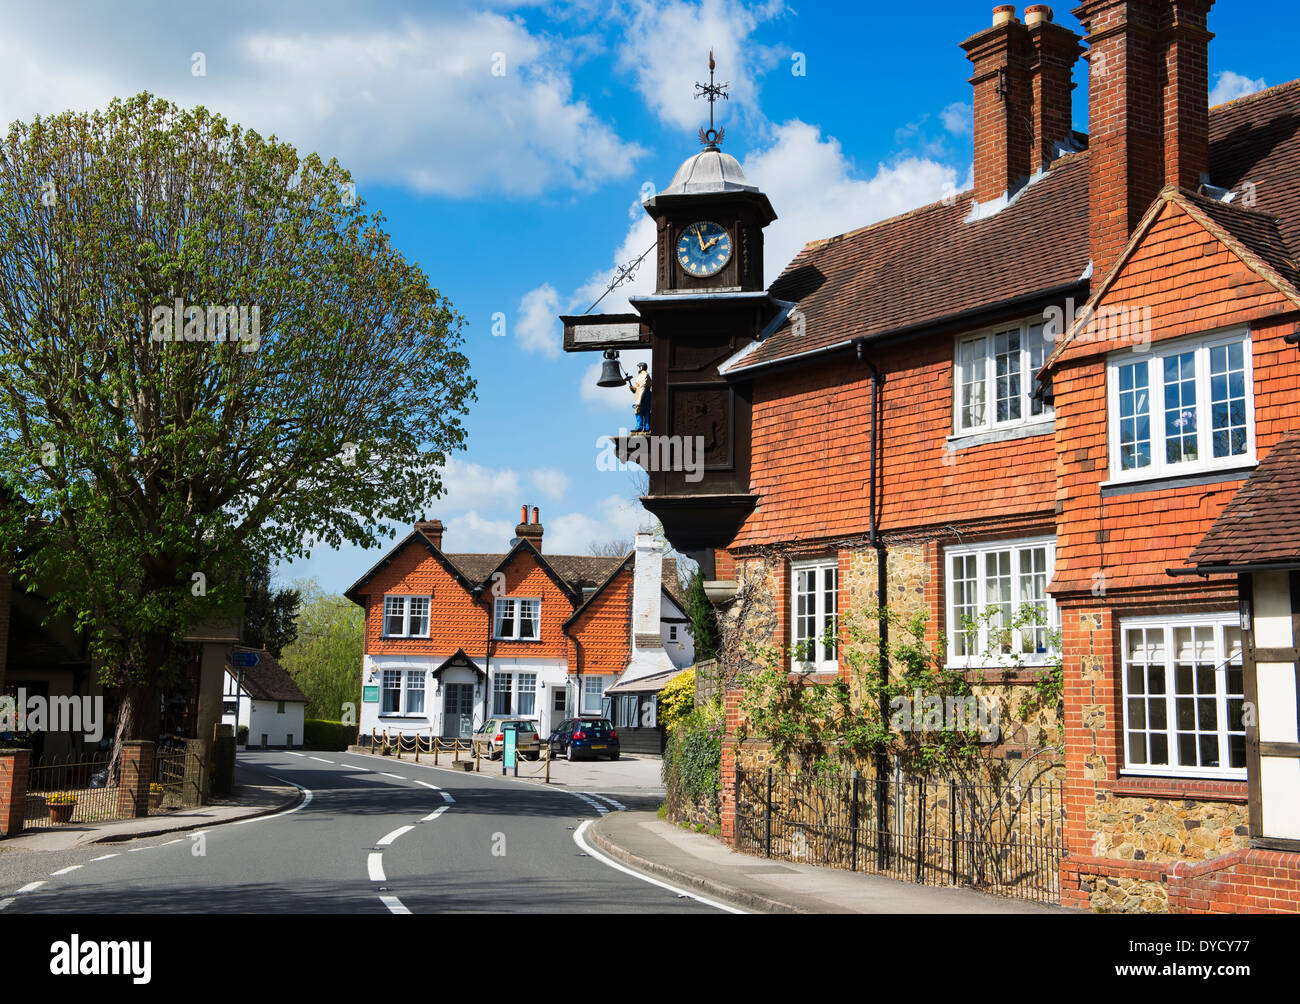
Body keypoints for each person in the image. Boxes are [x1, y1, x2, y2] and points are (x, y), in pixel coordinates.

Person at [628, 362, 651, 434]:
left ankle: (640, 427)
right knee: (645, 411)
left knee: (640, 411)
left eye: (638, 367)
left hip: (644, 394)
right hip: (644, 393)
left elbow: (642, 387)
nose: (637, 369)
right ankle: (646, 428)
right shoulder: (642, 375)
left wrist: (638, 401)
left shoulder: (643, 375)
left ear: (641, 367)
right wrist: (631, 386)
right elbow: (638, 389)